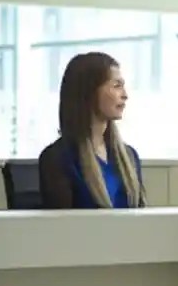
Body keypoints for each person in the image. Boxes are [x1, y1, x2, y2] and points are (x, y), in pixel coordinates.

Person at [39, 52, 146, 209]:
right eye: (116, 86)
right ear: (89, 92)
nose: (125, 95)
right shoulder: (58, 159)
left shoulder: (129, 156)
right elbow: (61, 229)